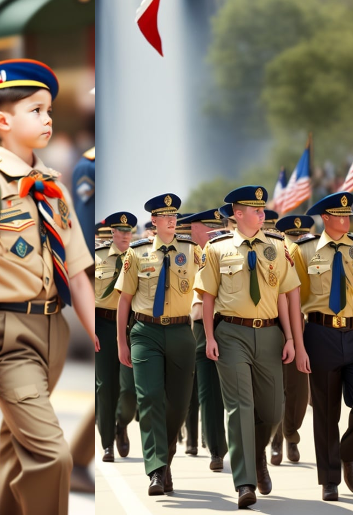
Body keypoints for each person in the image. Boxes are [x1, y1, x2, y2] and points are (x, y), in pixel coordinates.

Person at [0, 59, 97, 515]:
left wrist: (100, 335)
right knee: (52, 457)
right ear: (3, 121)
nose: (48, 118)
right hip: (6, 336)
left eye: (49, 109)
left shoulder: (55, 187)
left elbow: (77, 274)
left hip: (52, 330)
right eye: (36, 110)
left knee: (18, 455)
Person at [195, 185, 298, 508]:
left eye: (262, 209)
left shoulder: (278, 248)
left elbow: (284, 295)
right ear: (237, 214)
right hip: (231, 334)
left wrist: (292, 338)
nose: (261, 214)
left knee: (271, 410)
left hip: (269, 334)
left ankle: (258, 457)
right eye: (254, 210)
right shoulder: (216, 248)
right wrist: (210, 337)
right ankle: (244, 482)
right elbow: (207, 297)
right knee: (239, 407)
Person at [291, 192, 353, 501]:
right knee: (326, 412)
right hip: (320, 334)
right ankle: (329, 479)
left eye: (349, 216)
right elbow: (293, 301)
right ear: (326, 219)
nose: (346, 221)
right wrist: (298, 343)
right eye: (340, 216)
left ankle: (348, 454)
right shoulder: (303, 252)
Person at [116, 194, 199, 496]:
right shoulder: (136, 254)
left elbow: (212, 286)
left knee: (178, 406)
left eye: (174, 215)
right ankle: (155, 470)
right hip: (144, 333)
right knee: (149, 399)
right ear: (153, 220)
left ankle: (166, 462)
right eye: (164, 215)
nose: (171, 220)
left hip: (180, 332)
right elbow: (124, 299)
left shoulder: (192, 252)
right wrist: (121, 341)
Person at [182, 208, 229, 471]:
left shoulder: (225, 249)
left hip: (229, 323)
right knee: (208, 391)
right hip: (199, 326)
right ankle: (216, 449)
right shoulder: (186, 253)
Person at [270, 213, 315, 464]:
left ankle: (292, 434)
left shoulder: (311, 256)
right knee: (276, 390)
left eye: (301, 235)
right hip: (271, 326)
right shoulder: (274, 256)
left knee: (298, 391)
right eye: (292, 236)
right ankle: (276, 439)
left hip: (301, 325)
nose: (297, 240)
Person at [94, 211, 136, 463]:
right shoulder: (97, 258)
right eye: (120, 231)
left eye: (128, 231)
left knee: (130, 389)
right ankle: (107, 442)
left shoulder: (140, 257)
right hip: (103, 325)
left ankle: (122, 423)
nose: (124, 236)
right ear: (112, 233)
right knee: (105, 387)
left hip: (133, 325)